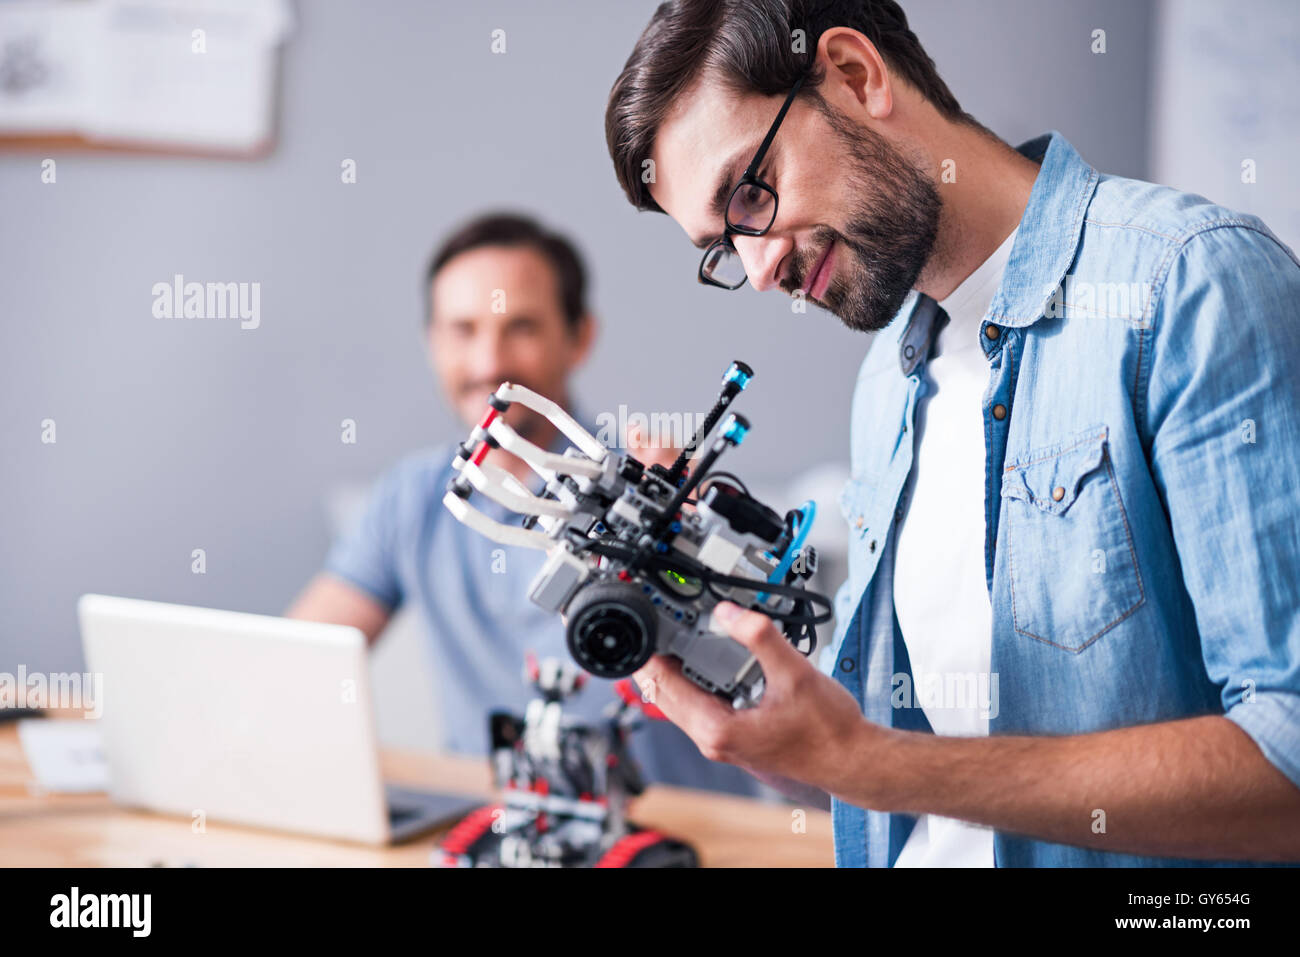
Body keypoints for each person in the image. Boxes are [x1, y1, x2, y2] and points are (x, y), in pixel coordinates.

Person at [603, 0, 1300, 865]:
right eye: (721, 248)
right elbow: (890, 772)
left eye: (752, 192)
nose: (758, 270)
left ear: (856, 75)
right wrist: (717, 630)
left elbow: (1289, 760)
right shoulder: (886, 386)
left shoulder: (1190, 283)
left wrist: (881, 765)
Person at [287, 212, 761, 797]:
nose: (489, 364)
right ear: (431, 342)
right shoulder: (409, 500)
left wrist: (699, 549)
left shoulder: (650, 490)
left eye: (521, 327)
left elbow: (761, 672)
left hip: (679, 831)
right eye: (463, 330)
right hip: (497, 820)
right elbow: (293, 666)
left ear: (578, 337)